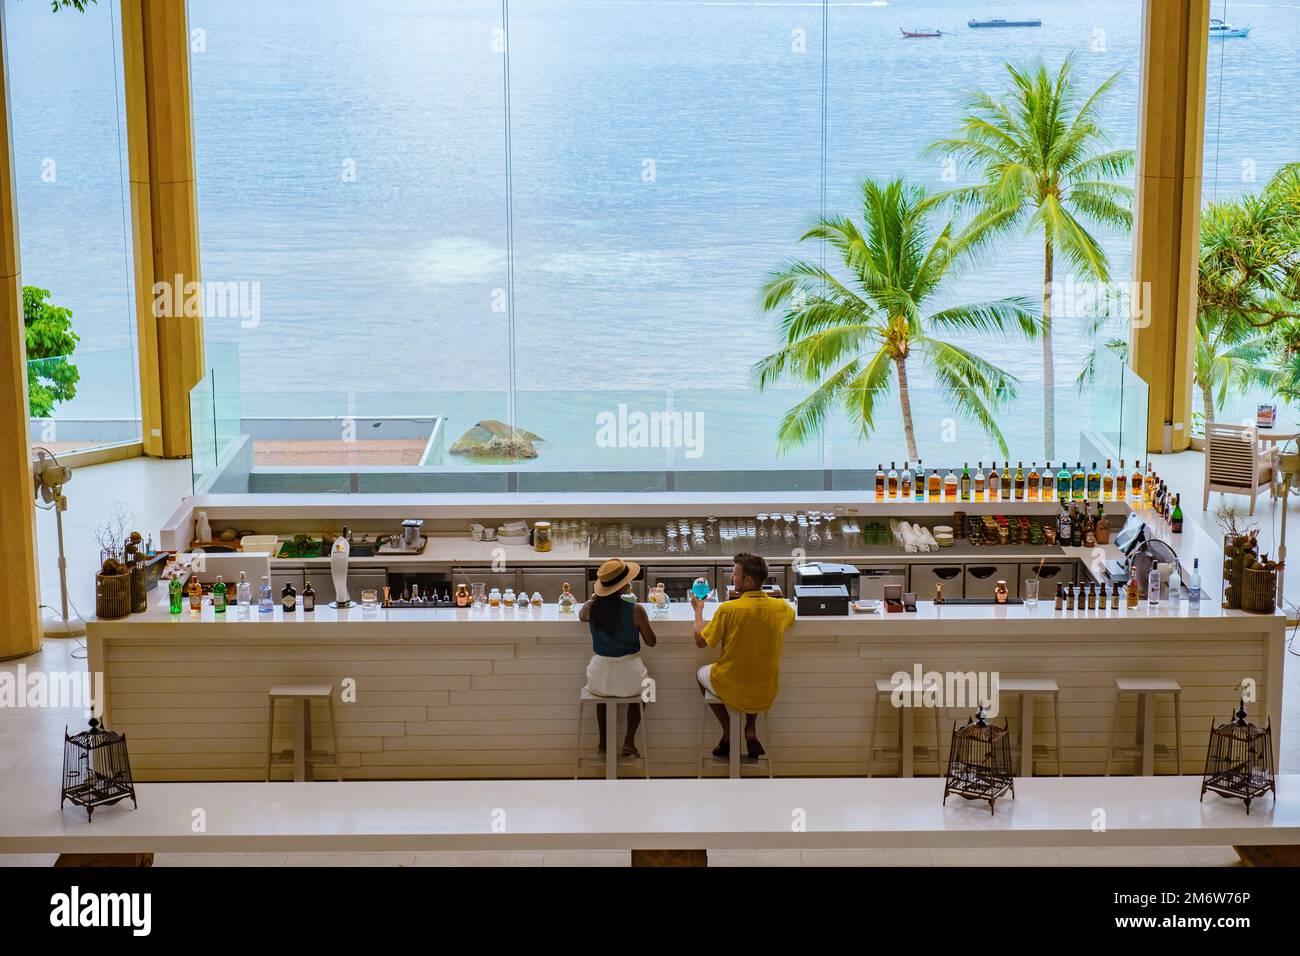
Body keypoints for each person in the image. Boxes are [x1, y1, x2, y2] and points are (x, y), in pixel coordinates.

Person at [691, 552, 794, 758]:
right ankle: (750, 728)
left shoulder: (728, 609)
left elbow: (700, 641)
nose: (731, 578)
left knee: (700, 675)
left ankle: (729, 731)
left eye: (735, 574)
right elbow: (791, 616)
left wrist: (698, 610)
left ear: (748, 580)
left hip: (731, 683)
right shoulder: (780, 608)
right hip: (765, 689)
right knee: (754, 671)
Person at [579, 558, 656, 757]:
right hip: (630, 675)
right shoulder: (636, 610)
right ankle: (629, 740)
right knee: (648, 689)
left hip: (598, 678)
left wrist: (595, 598)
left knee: (602, 698)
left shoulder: (591, 608)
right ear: (623, 586)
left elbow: (581, 615)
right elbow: (651, 641)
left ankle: (603, 744)